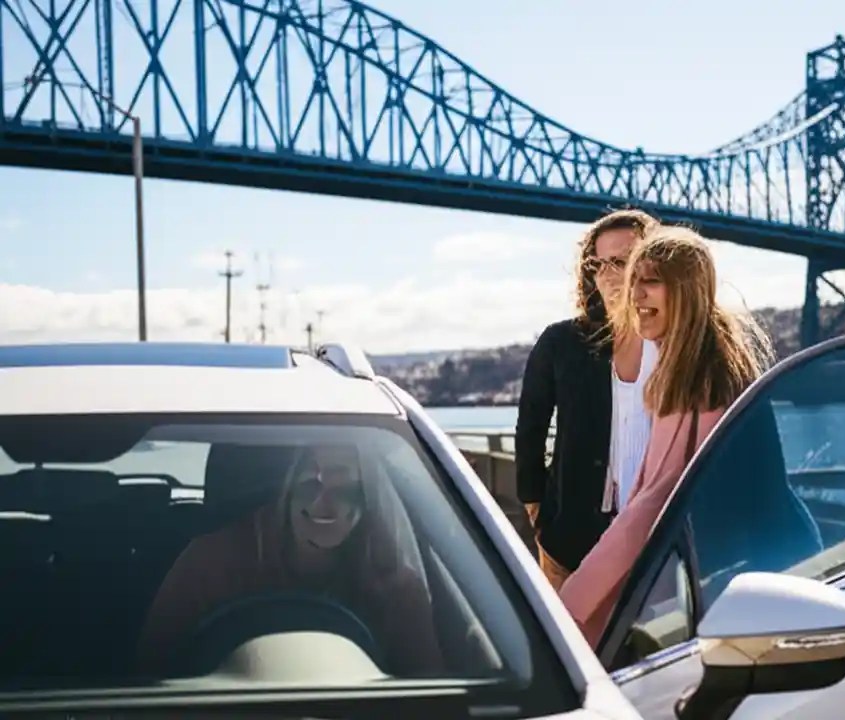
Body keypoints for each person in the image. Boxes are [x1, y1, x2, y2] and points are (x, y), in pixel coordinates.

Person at [558, 224, 773, 646]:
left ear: (687, 290)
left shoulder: (706, 377)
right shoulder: (691, 364)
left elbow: (660, 498)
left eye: (651, 282)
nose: (635, 295)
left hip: (749, 573)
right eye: (633, 281)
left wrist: (571, 602)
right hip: (736, 567)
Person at [136, 443, 442, 677]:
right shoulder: (211, 562)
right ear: (285, 486)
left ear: (369, 496)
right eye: (310, 483)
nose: (324, 504)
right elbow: (153, 679)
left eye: (346, 489)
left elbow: (429, 697)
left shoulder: (391, 581)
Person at [515, 209, 660, 590]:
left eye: (622, 262)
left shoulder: (674, 345)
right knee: (567, 630)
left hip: (657, 541)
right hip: (569, 542)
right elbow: (530, 428)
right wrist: (538, 511)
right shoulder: (560, 342)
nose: (609, 275)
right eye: (599, 264)